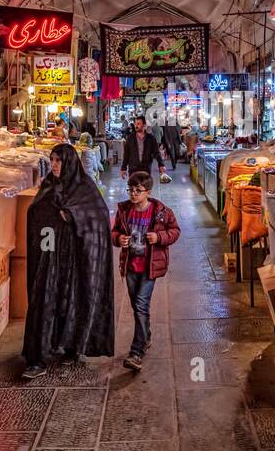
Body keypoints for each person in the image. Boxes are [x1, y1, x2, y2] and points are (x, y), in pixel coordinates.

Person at [23, 143, 114, 379]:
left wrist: (73, 215)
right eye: (52, 160)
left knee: (73, 302)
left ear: (70, 163)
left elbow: (99, 216)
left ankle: (71, 347)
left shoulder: (84, 188)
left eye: (58, 161)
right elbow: (35, 214)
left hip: (76, 261)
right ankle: (37, 357)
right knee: (43, 302)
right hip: (50, 258)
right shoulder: (47, 187)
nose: (54, 165)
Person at [110, 172, 181, 371]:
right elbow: (114, 231)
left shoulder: (161, 212)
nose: (133, 194)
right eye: (130, 190)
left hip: (150, 267)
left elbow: (175, 231)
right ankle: (146, 335)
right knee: (137, 306)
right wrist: (118, 239)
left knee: (141, 305)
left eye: (138, 191)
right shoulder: (124, 210)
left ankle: (137, 352)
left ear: (147, 192)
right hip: (130, 266)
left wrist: (159, 237)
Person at [121, 114, 165, 181]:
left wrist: (161, 164)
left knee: (144, 189)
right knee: (134, 190)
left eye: (138, 124)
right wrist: (123, 168)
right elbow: (126, 154)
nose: (136, 126)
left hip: (146, 169)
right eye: (135, 123)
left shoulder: (151, 139)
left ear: (144, 125)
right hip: (133, 169)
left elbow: (157, 152)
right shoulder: (130, 138)